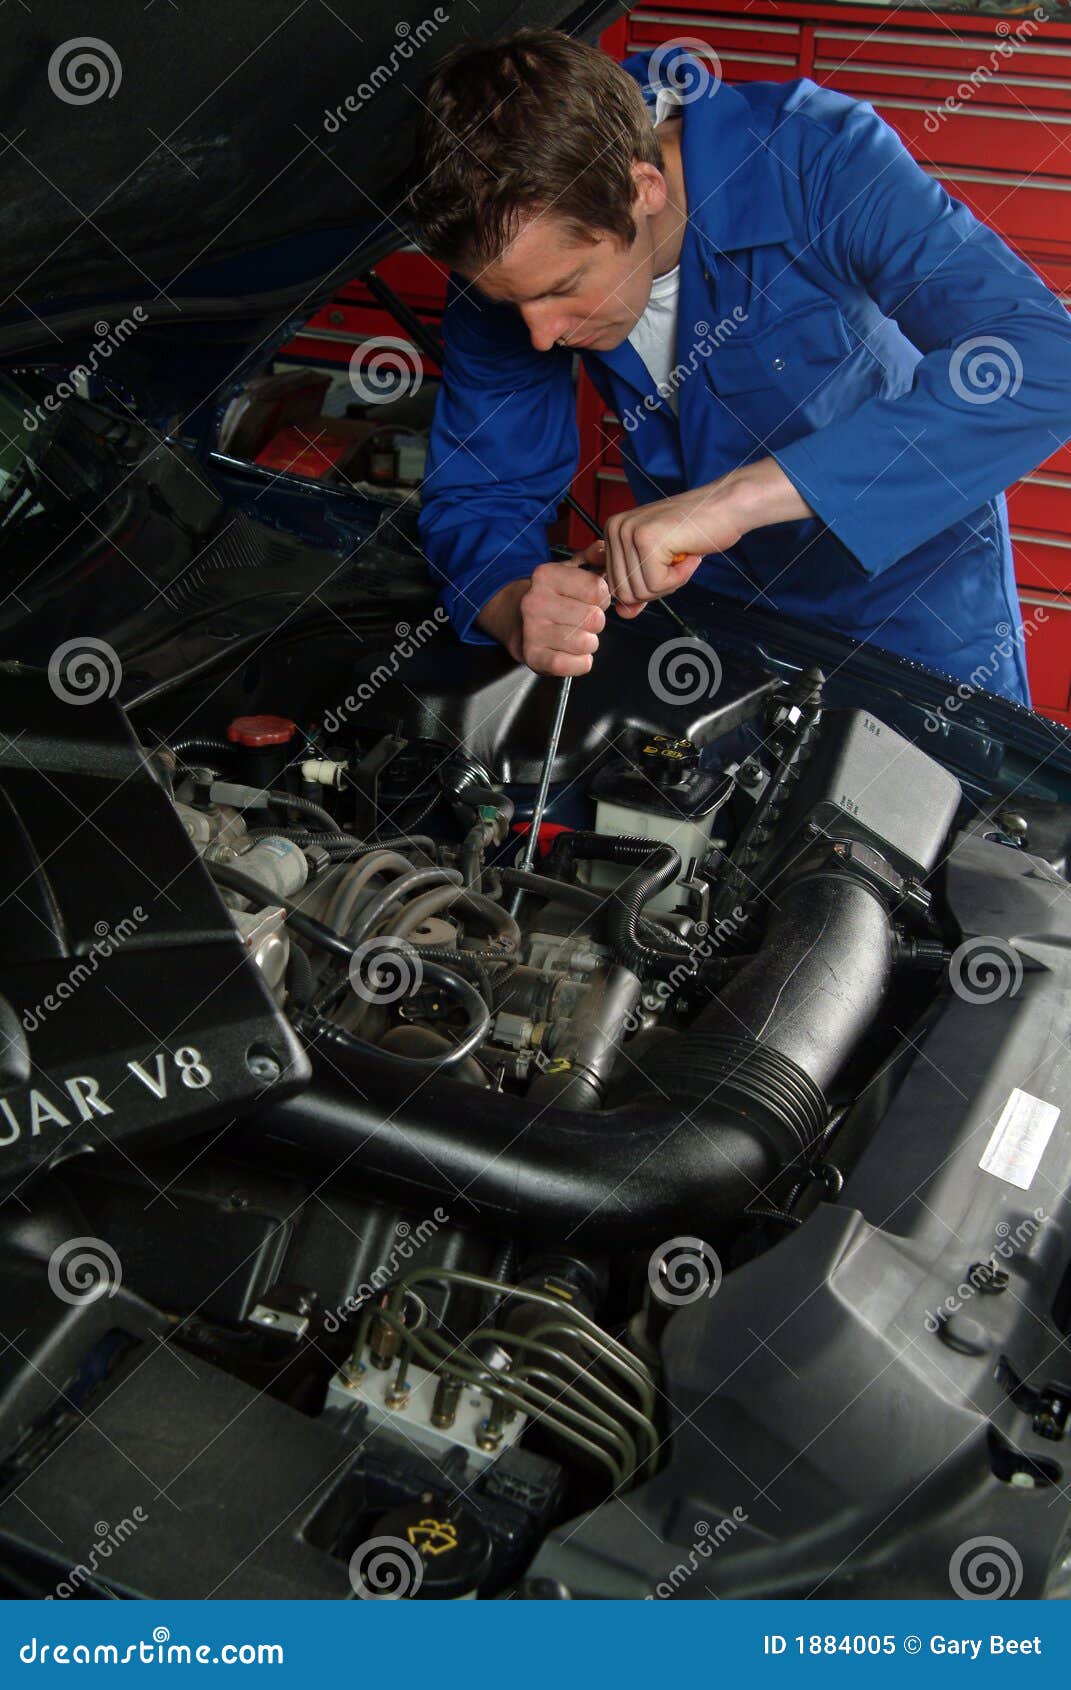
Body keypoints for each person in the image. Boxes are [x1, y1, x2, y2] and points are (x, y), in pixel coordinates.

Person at [408, 28, 1071, 705]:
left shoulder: (811, 157)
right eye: (512, 301)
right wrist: (514, 602)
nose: (541, 336)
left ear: (644, 188)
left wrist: (733, 502)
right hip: (718, 618)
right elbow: (482, 494)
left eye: (563, 287)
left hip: (910, 610)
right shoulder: (508, 244)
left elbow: (1044, 362)